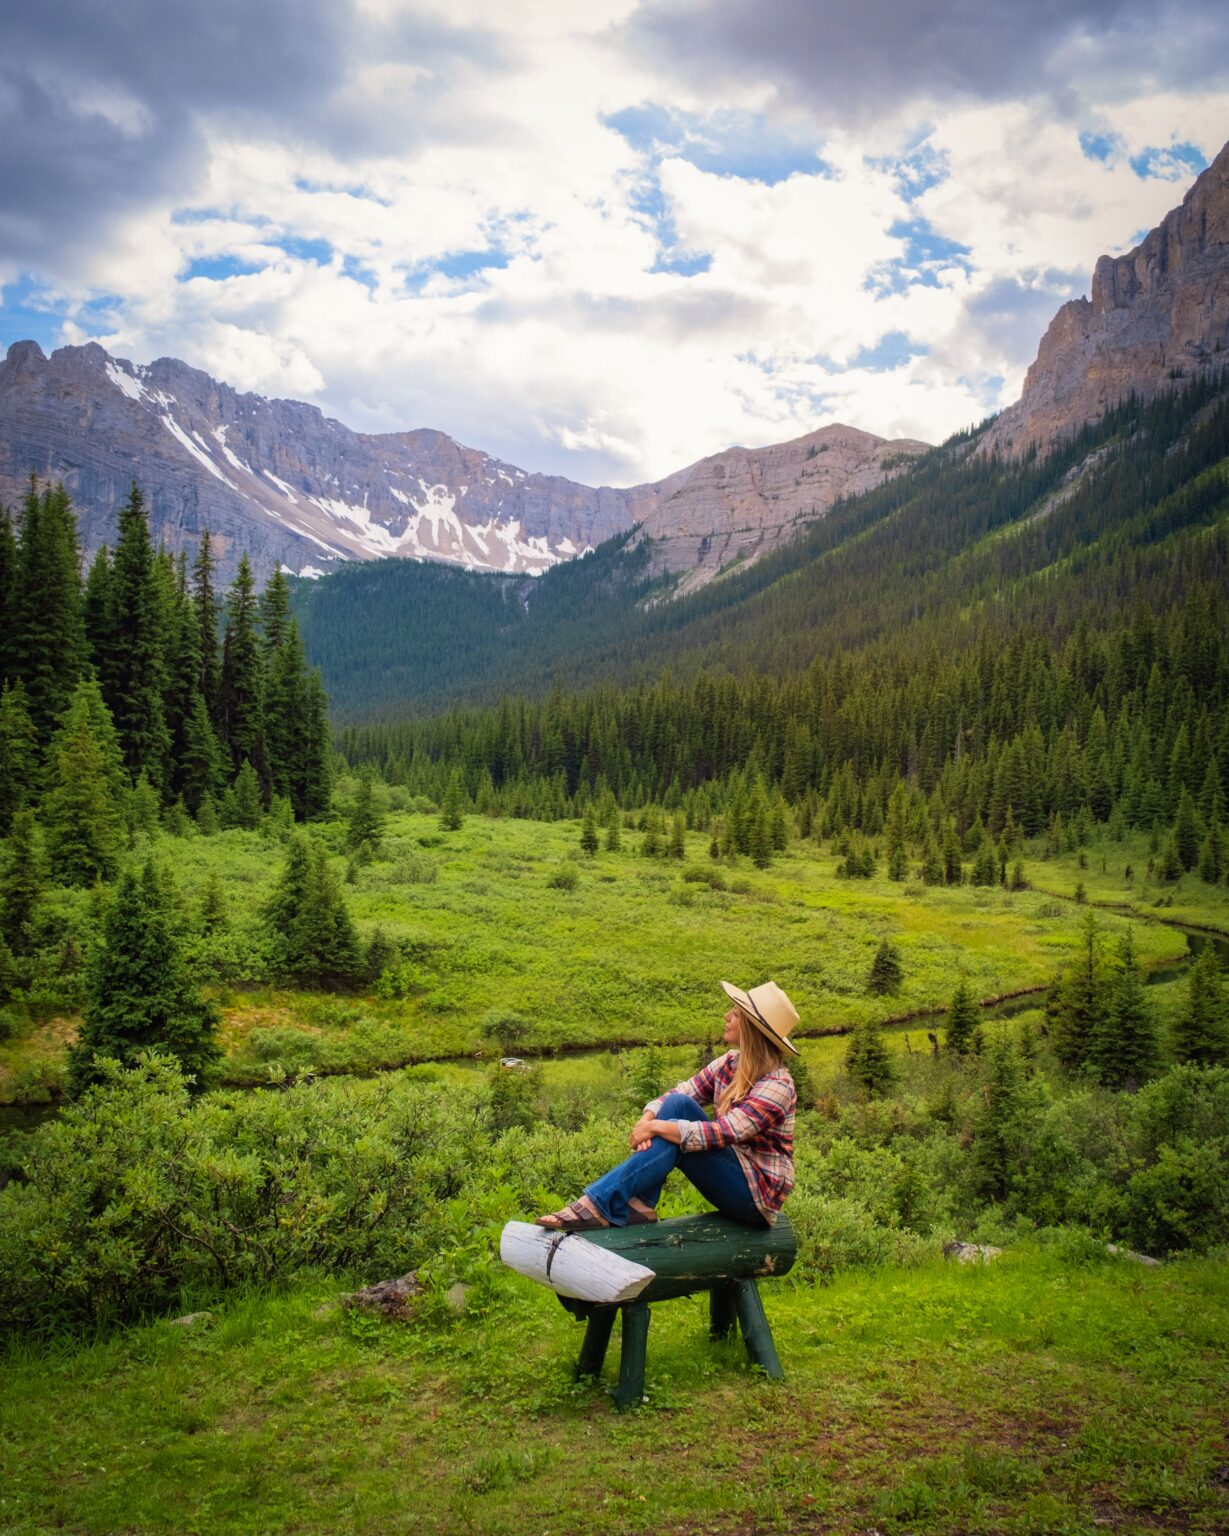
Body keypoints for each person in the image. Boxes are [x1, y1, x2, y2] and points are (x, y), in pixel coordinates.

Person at [536, 980, 799, 1231]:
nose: (727, 1016)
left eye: (737, 1014)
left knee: (675, 1127)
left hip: (755, 1198)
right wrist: (648, 1119)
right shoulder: (731, 1063)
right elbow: (684, 1091)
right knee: (677, 1104)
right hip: (732, 1171)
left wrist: (659, 1127)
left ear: (753, 1029)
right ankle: (640, 1205)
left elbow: (724, 1132)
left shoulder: (777, 1085)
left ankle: (596, 1204)